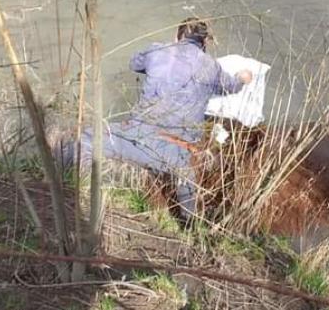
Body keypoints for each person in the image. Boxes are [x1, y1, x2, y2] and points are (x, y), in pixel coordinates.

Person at [63, 17, 254, 219]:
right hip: (175, 151)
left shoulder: (156, 50)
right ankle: (190, 227)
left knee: (84, 139)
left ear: (177, 36)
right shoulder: (211, 66)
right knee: (186, 180)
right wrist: (243, 77)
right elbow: (230, 87)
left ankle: (72, 192)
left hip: (136, 136)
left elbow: (134, 63)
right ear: (205, 42)